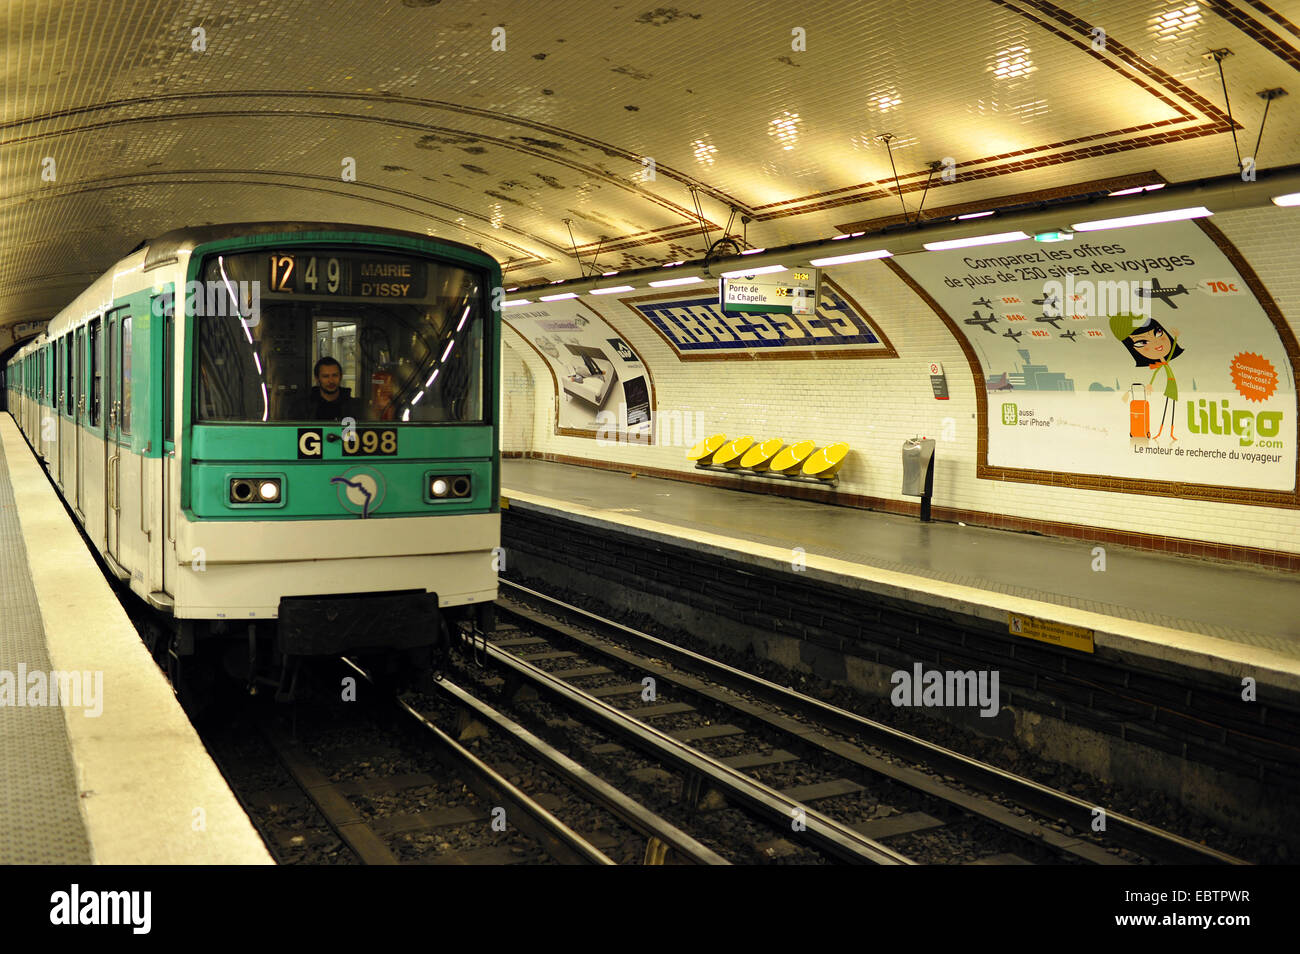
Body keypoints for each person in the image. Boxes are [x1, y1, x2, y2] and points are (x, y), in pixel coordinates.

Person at [1110, 314, 1184, 441]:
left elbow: (1170, 353)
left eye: (1158, 333)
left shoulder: (1163, 362)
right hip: (1170, 386)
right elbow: (1156, 372)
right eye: (1142, 342)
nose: (1157, 344)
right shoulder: (1160, 364)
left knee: (1170, 409)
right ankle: (1162, 432)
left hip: (1172, 386)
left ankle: (1169, 433)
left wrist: (1176, 337)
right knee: (1168, 408)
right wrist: (1150, 384)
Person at [296, 356, 363, 421]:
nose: (331, 381)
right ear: (317, 378)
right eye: (325, 376)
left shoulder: (355, 408)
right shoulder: (303, 409)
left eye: (335, 375)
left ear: (341, 377)